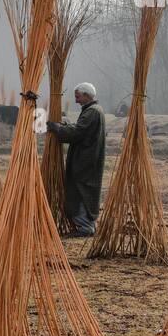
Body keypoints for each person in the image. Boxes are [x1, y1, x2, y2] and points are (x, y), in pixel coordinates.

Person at [46, 82, 106, 237]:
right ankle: (86, 225)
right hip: (88, 160)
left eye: (78, 96)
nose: (76, 100)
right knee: (82, 190)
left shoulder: (92, 112)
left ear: (87, 95)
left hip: (85, 161)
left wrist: (58, 128)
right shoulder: (93, 111)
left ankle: (86, 227)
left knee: (80, 191)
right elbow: (81, 129)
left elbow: (78, 133)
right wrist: (65, 125)